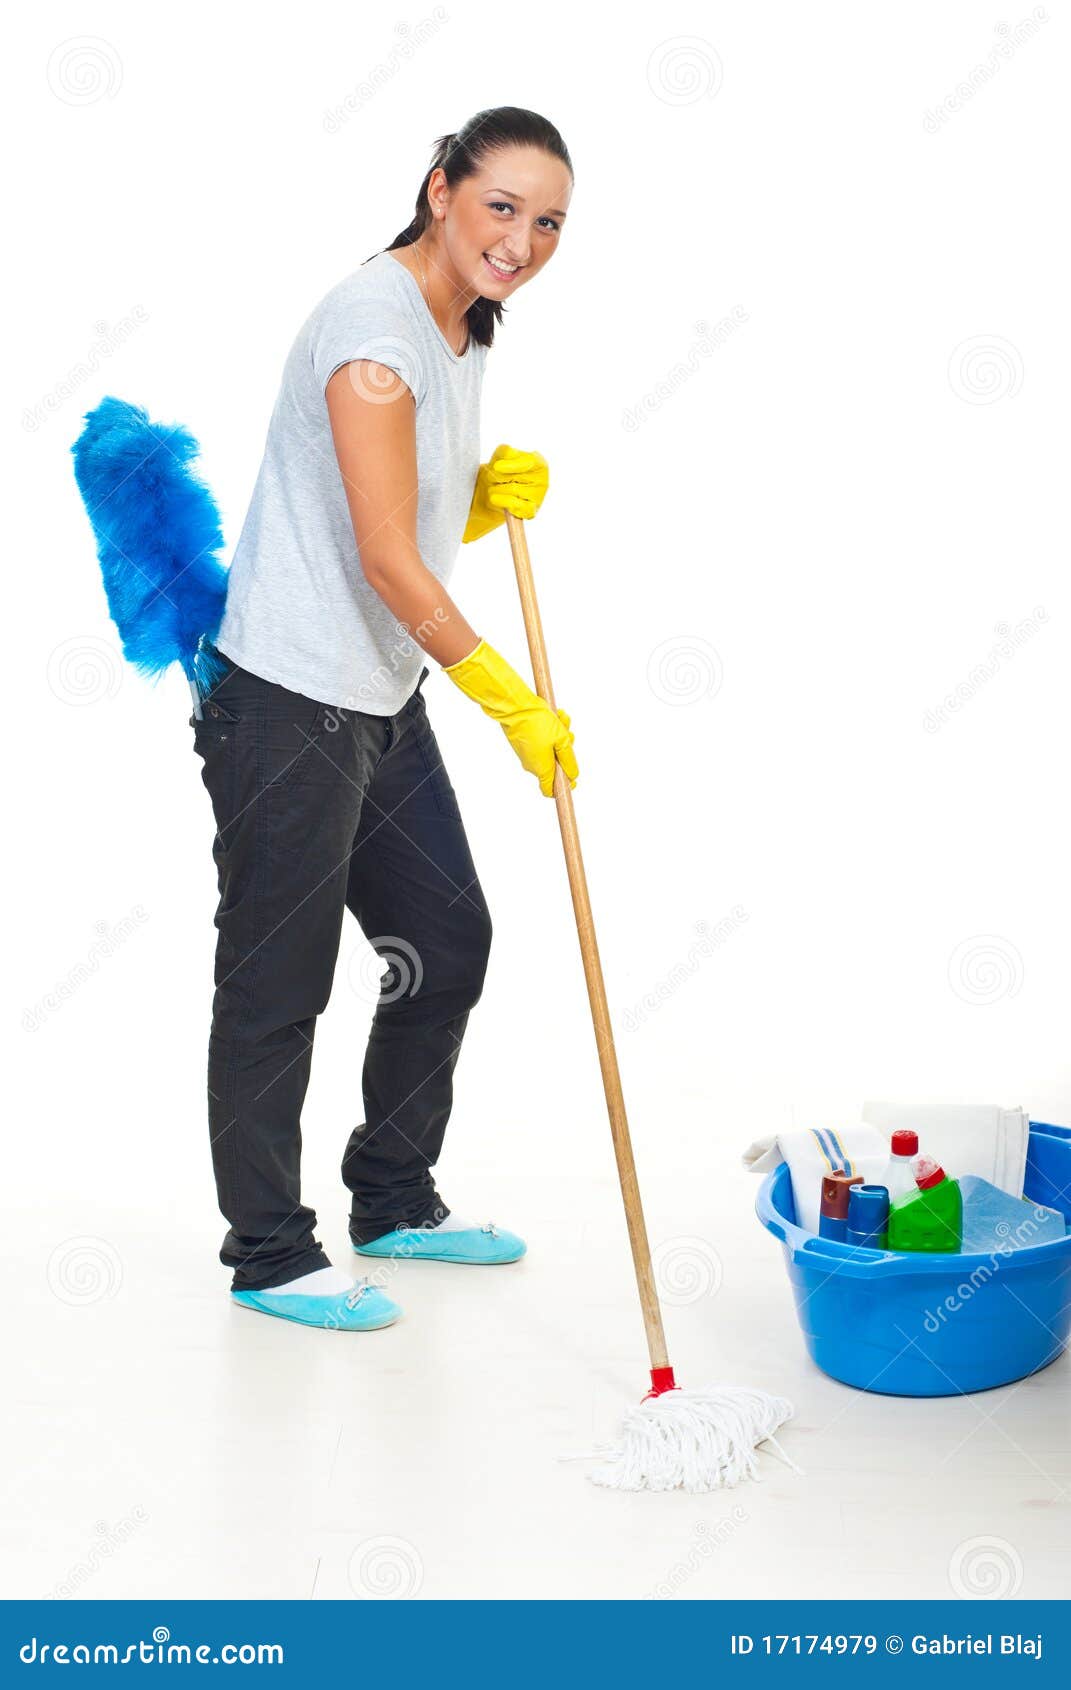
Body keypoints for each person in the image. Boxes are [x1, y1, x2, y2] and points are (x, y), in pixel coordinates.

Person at [190, 106, 578, 1331]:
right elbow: (380, 559)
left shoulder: (460, 326)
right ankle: (268, 1251)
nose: (522, 238)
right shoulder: (376, 331)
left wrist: (468, 503)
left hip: (375, 699)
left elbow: (393, 513)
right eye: (502, 205)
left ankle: (393, 1197)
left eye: (549, 219)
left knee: (444, 940)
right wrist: (510, 698)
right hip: (288, 702)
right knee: (278, 981)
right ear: (439, 187)